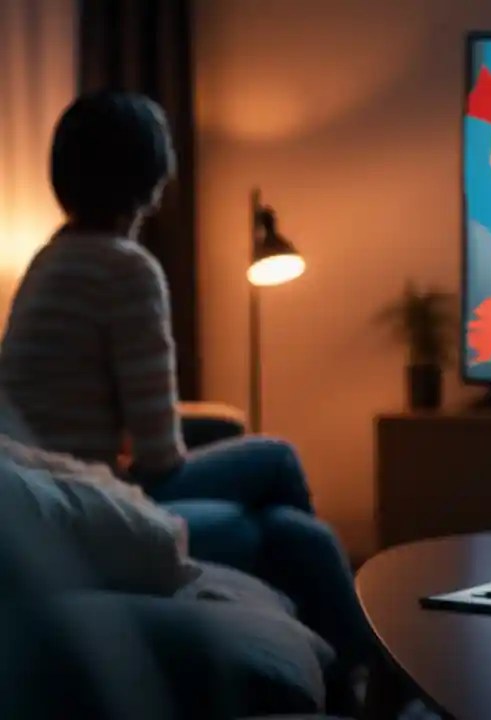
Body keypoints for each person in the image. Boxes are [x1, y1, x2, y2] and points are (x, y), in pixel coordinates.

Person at [0, 91, 371, 708]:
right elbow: (159, 459)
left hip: (65, 491)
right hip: (97, 498)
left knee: (287, 526)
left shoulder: (49, 260)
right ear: (150, 180)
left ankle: (353, 677)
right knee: (277, 466)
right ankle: (359, 672)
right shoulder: (126, 268)